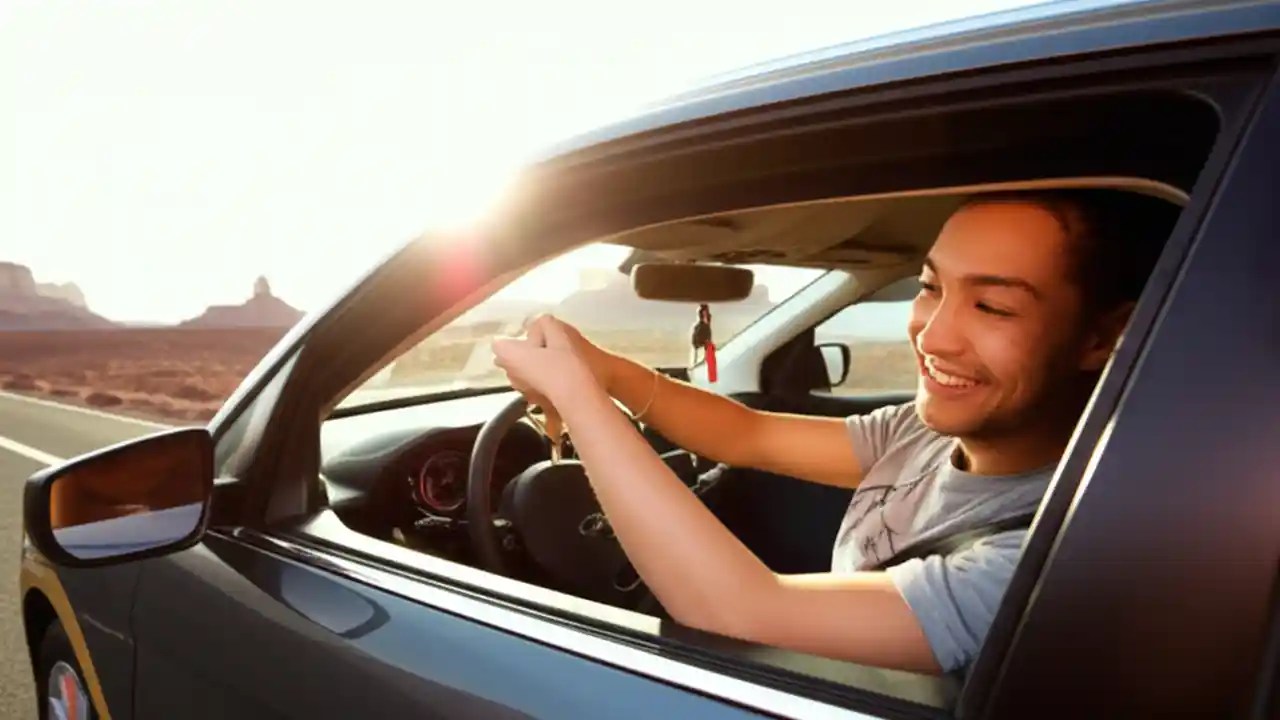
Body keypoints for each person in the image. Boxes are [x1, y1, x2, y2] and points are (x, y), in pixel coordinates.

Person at [490, 189, 1171, 676]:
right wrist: (606, 371)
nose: (932, 336)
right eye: (929, 287)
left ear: (1102, 336)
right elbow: (746, 434)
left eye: (992, 306)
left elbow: (744, 613)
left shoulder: (1051, 556)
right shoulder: (921, 432)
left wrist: (578, 400)